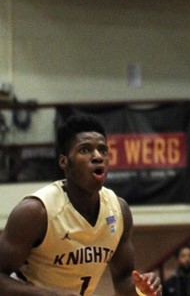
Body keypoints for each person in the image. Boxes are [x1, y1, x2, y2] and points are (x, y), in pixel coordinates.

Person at [0, 114, 161, 296]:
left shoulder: (119, 211)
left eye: (103, 150)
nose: (97, 157)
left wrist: (143, 290)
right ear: (64, 162)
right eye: (85, 150)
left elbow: (123, 278)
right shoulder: (36, 211)